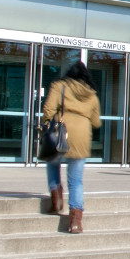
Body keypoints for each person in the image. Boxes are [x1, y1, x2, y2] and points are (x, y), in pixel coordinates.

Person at [42, 59, 101, 233]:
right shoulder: (91, 94)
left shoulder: (59, 86)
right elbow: (96, 122)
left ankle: (56, 197)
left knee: (52, 161)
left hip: (61, 132)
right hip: (82, 137)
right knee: (76, 181)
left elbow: (48, 110)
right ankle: (75, 221)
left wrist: (46, 122)